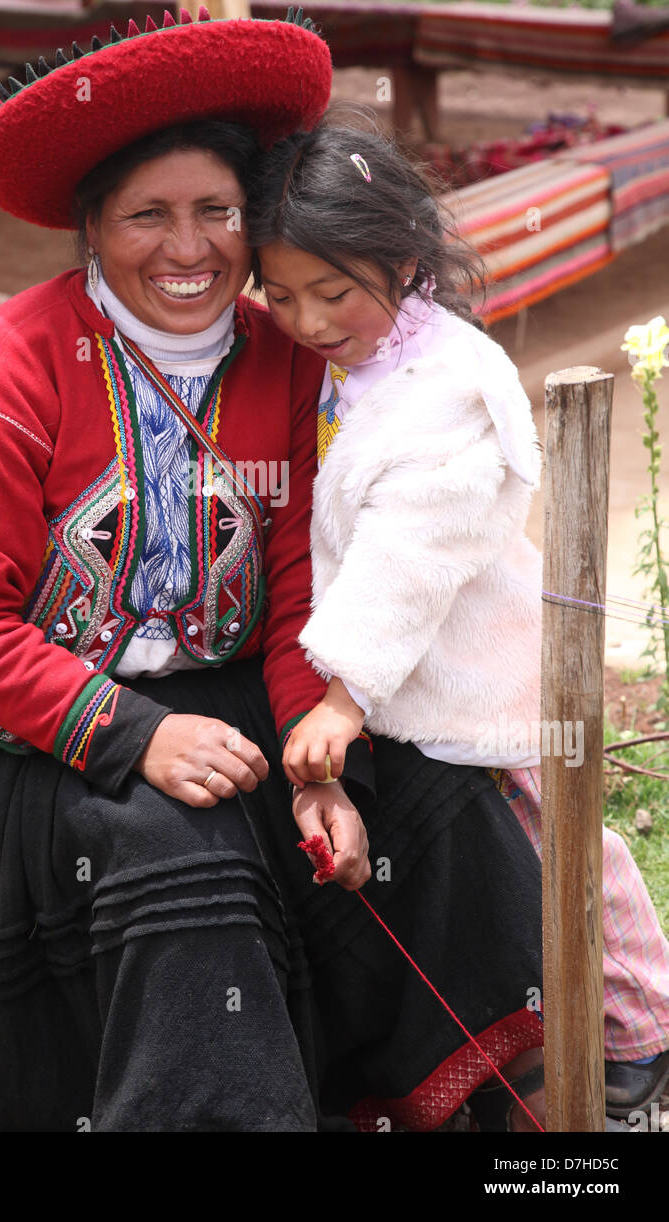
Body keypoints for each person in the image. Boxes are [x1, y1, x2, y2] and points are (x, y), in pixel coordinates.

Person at [0, 11, 546, 1133]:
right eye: (148, 216)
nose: (191, 250)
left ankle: (489, 1102)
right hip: (15, 719)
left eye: (218, 212)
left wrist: (321, 763)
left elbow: (292, 586)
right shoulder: (0, 376)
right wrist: (135, 735)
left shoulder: (280, 356)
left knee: (430, 798)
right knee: (182, 858)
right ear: (89, 226)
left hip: (214, 687)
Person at [247, 116, 669, 1122]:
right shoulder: (372, 358)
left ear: (402, 262)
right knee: (529, 850)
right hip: (431, 673)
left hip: (480, 670)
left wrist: (342, 693)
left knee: (558, 843)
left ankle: (643, 1028)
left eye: (332, 292)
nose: (305, 319)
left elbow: (410, 556)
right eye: (283, 293)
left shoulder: (445, 390)